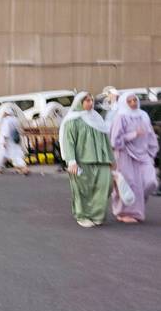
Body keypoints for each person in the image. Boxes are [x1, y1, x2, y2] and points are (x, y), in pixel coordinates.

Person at [60, 92, 115, 227]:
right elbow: (69, 142)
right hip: (81, 161)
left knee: (105, 186)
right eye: (87, 101)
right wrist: (71, 161)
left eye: (91, 100)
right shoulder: (72, 120)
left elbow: (105, 140)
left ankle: (96, 214)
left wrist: (111, 159)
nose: (91, 103)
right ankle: (82, 215)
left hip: (101, 160)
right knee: (82, 190)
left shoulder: (97, 119)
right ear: (80, 103)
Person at [109, 91, 157, 223]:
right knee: (129, 184)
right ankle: (124, 212)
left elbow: (150, 135)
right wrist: (133, 134)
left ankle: (136, 206)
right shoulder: (121, 117)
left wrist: (152, 152)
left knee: (150, 182)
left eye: (135, 100)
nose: (133, 103)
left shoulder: (143, 116)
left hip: (144, 155)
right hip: (125, 155)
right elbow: (115, 140)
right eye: (129, 101)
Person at [0, 103, 29, 175]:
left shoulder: (6, 120)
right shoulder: (15, 120)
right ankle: (23, 167)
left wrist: (4, 141)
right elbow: (19, 129)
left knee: (0, 155)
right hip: (14, 140)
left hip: (5, 140)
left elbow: (5, 131)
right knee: (16, 154)